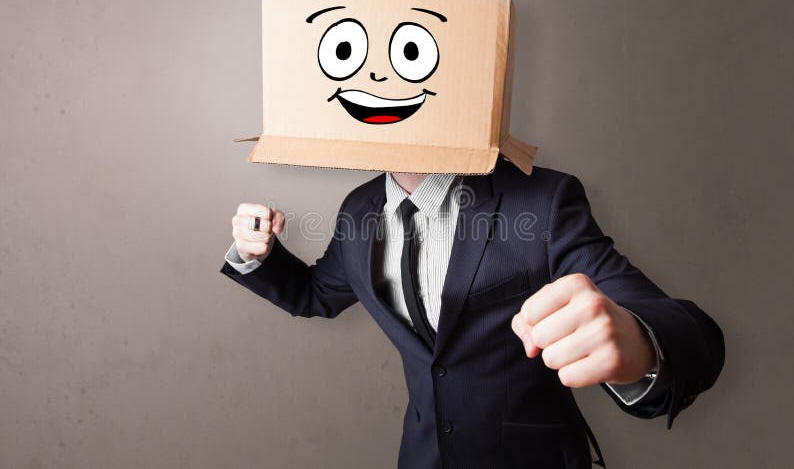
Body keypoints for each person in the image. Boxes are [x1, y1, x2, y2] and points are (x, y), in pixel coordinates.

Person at [219, 156, 725, 469]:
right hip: (422, 458)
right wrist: (257, 255)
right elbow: (317, 295)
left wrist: (639, 342)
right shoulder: (360, 208)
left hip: (532, 460)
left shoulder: (541, 198)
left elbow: (683, 329)